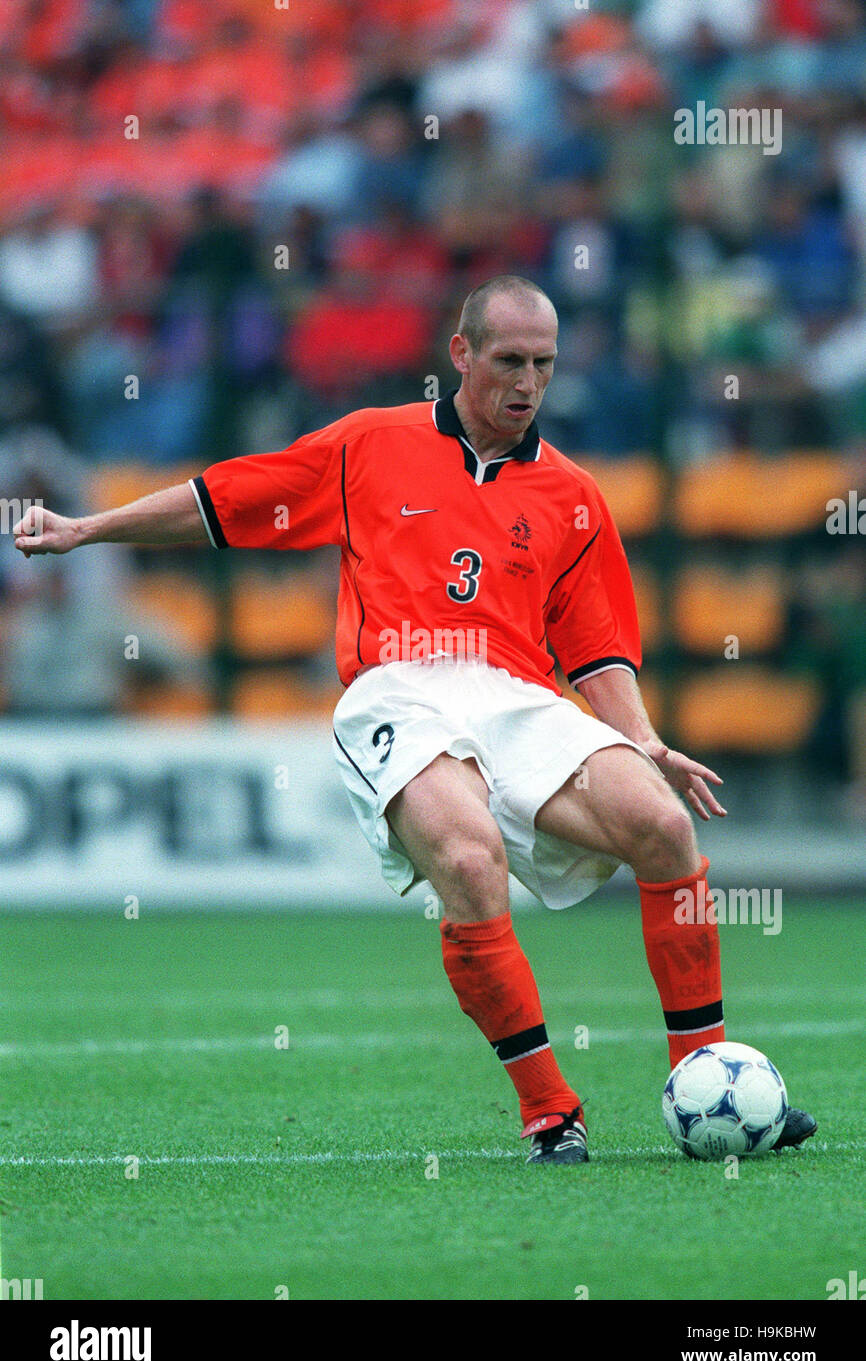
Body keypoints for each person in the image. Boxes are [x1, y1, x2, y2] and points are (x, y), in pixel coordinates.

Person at [14, 274, 816, 1164]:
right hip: (396, 690)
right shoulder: (370, 444)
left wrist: (645, 740)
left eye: (544, 365)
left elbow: (597, 652)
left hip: (517, 695)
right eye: (509, 360)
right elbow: (226, 500)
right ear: (461, 354)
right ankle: (550, 1109)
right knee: (470, 864)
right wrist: (88, 529)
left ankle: (703, 1072)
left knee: (662, 826)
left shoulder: (575, 497)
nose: (527, 382)